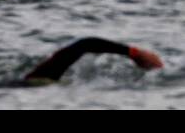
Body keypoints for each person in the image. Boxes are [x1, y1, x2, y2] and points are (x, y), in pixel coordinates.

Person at [24, 39, 162, 84]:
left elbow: (84, 45)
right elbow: (85, 44)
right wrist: (134, 53)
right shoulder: (41, 78)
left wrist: (133, 53)